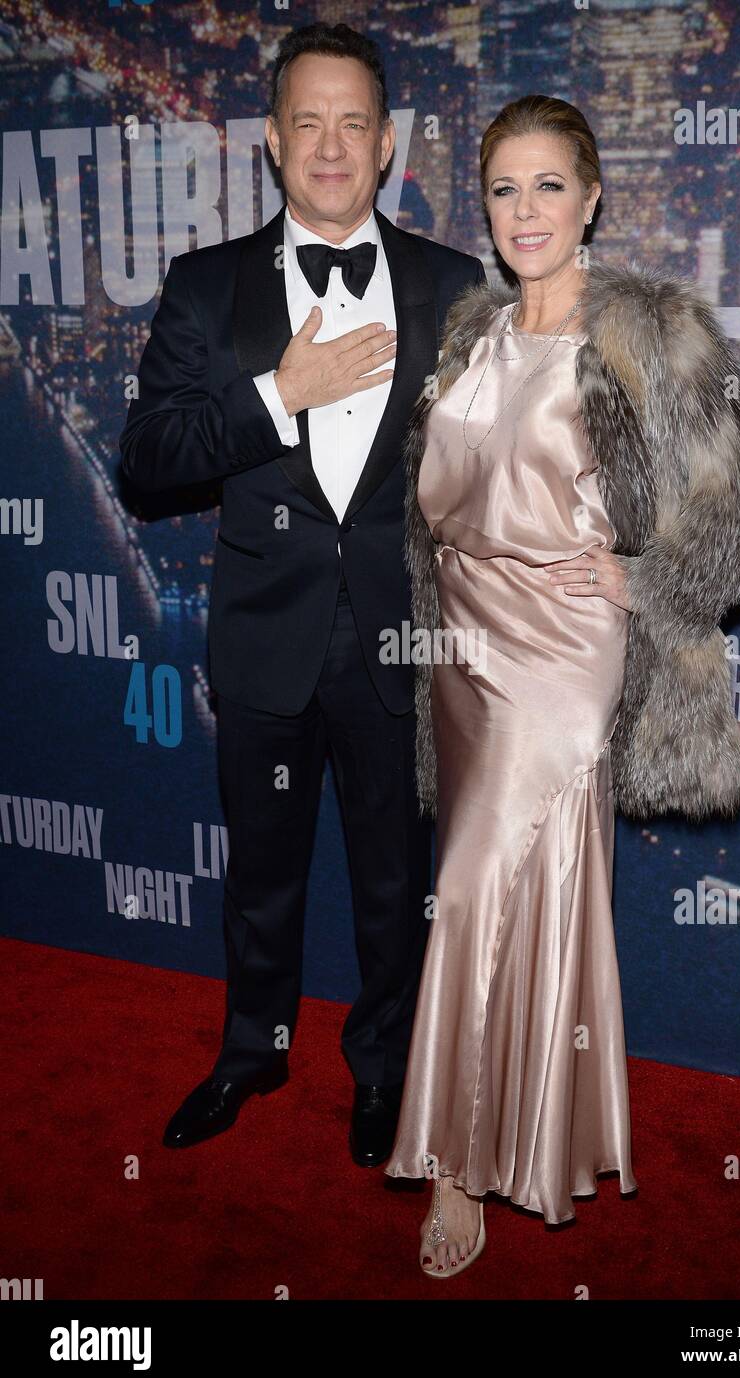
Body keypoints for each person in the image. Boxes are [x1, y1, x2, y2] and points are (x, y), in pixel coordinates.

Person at [384, 95, 740, 1275]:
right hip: (463, 655)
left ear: (591, 197)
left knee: (476, 888)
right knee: (485, 887)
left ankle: (458, 1164)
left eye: (547, 187)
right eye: (503, 190)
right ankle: (520, 1128)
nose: (525, 212)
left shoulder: (649, 331)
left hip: (564, 658)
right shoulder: (469, 332)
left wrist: (652, 577)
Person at [119, 23, 484, 1164]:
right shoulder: (204, 286)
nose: (331, 145)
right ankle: (249, 1050)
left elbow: (488, 469)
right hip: (265, 640)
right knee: (261, 877)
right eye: (307, 122)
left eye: (353, 123)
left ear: (387, 145)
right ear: (273, 142)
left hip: (395, 644)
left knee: (393, 885)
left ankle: (383, 1072)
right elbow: (148, 459)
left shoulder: (452, 283)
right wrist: (277, 393)